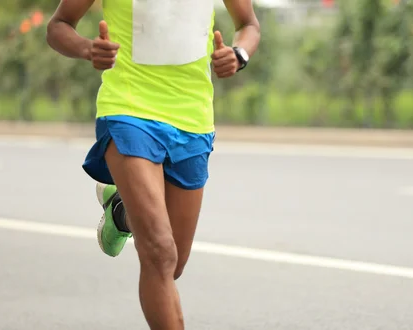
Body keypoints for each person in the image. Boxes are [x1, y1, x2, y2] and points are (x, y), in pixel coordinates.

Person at [46, 0, 260, 328]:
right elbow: (58, 26)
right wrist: (89, 49)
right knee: (160, 253)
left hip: (193, 121)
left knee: (173, 266)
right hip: (128, 111)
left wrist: (239, 54)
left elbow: (249, 24)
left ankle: (122, 212)